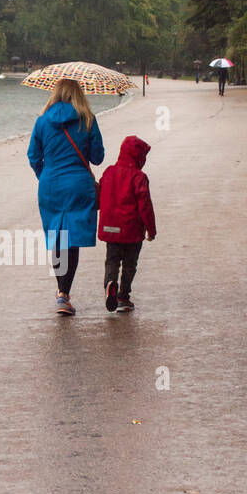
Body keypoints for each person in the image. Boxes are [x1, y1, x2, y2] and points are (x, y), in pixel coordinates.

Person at [27, 78, 105, 316]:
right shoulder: (88, 120)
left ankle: (61, 293)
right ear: (78, 95)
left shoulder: (42, 121)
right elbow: (97, 157)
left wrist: (46, 176)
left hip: (50, 185)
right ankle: (64, 293)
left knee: (57, 237)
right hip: (78, 184)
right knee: (71, 239)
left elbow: (32, 156)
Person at [98, 136, 156, 313]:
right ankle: (123, 297)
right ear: (138, 157)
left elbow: (100, 197)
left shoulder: (109, 172)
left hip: (111, 228)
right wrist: (151, 230)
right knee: (130, 265)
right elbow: (145, 205)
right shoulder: (139, 177)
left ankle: (110, 284)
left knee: (112, 261)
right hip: (132, 230)